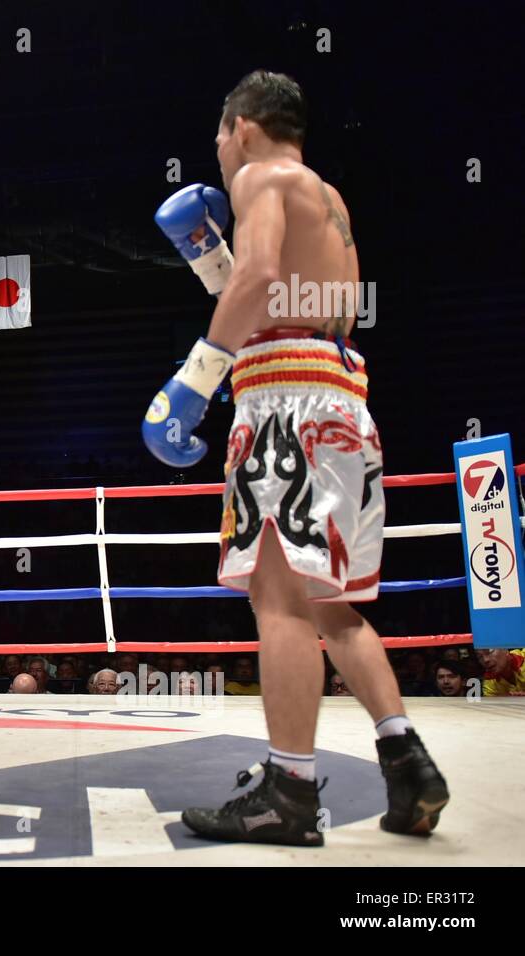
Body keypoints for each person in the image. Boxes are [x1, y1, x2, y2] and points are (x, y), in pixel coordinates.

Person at [143, 71, 446, 846]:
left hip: (284, 406)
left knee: (275, 600)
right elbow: (293, 302)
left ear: (242, 125)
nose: (216, 151)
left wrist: (193, 378)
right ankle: (406, 760)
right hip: (341, 398)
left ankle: (288, 790)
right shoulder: (328, 196)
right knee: (328, 605)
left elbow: (261, 280)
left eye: (217, 134)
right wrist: (211, 257)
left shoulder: (259, 175)